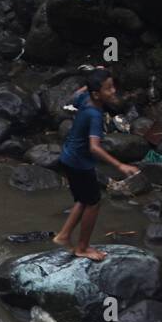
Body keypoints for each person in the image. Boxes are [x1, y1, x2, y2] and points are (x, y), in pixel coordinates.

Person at [52, 69, 139, 262]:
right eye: (108, 88)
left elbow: (75, 95)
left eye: (112, 86)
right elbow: (94, 147)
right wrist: (120, 165)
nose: (113, 91)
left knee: (84, 199)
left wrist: (89, 83)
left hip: (69, 158)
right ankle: (82, 248)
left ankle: (64, 235)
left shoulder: (84, 98)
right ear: (97, 94)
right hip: (79, 163)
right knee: (93, 203)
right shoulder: (95, 115)